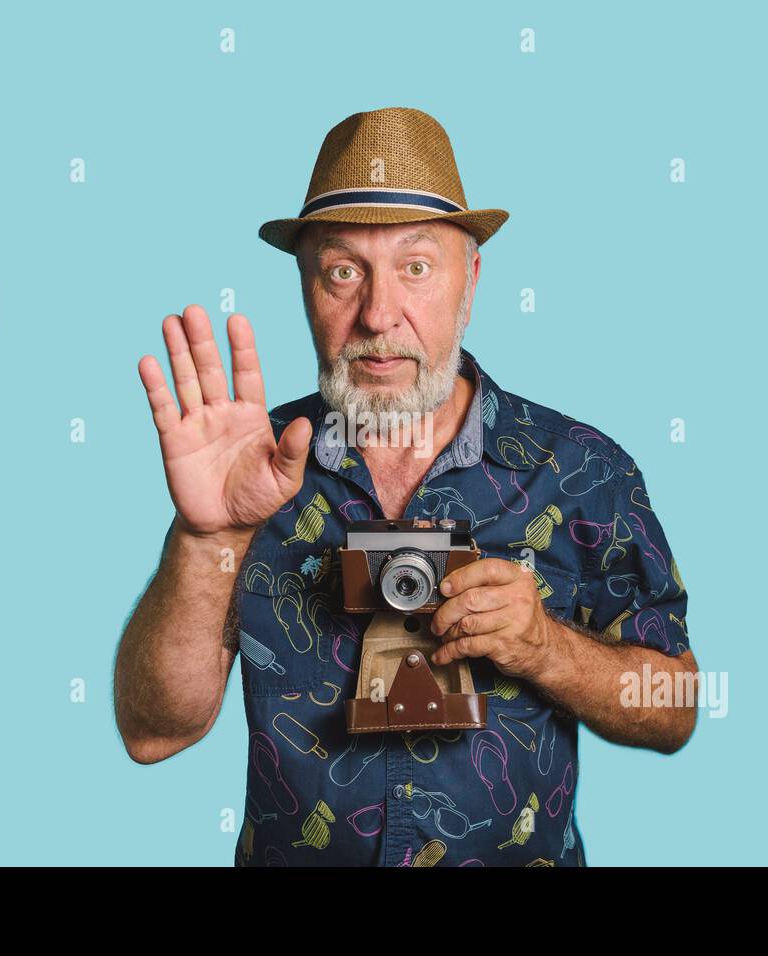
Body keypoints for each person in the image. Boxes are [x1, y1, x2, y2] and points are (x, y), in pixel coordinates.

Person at [114, 107, 698, 867]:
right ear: (305, 285)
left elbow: (676, 708)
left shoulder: (582, 469)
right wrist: (207, 538)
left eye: (416, 268)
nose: (378, 313)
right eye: (343, 270)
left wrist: (546, 649)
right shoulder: (250, 468)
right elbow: (155, 730)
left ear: (472, 280)